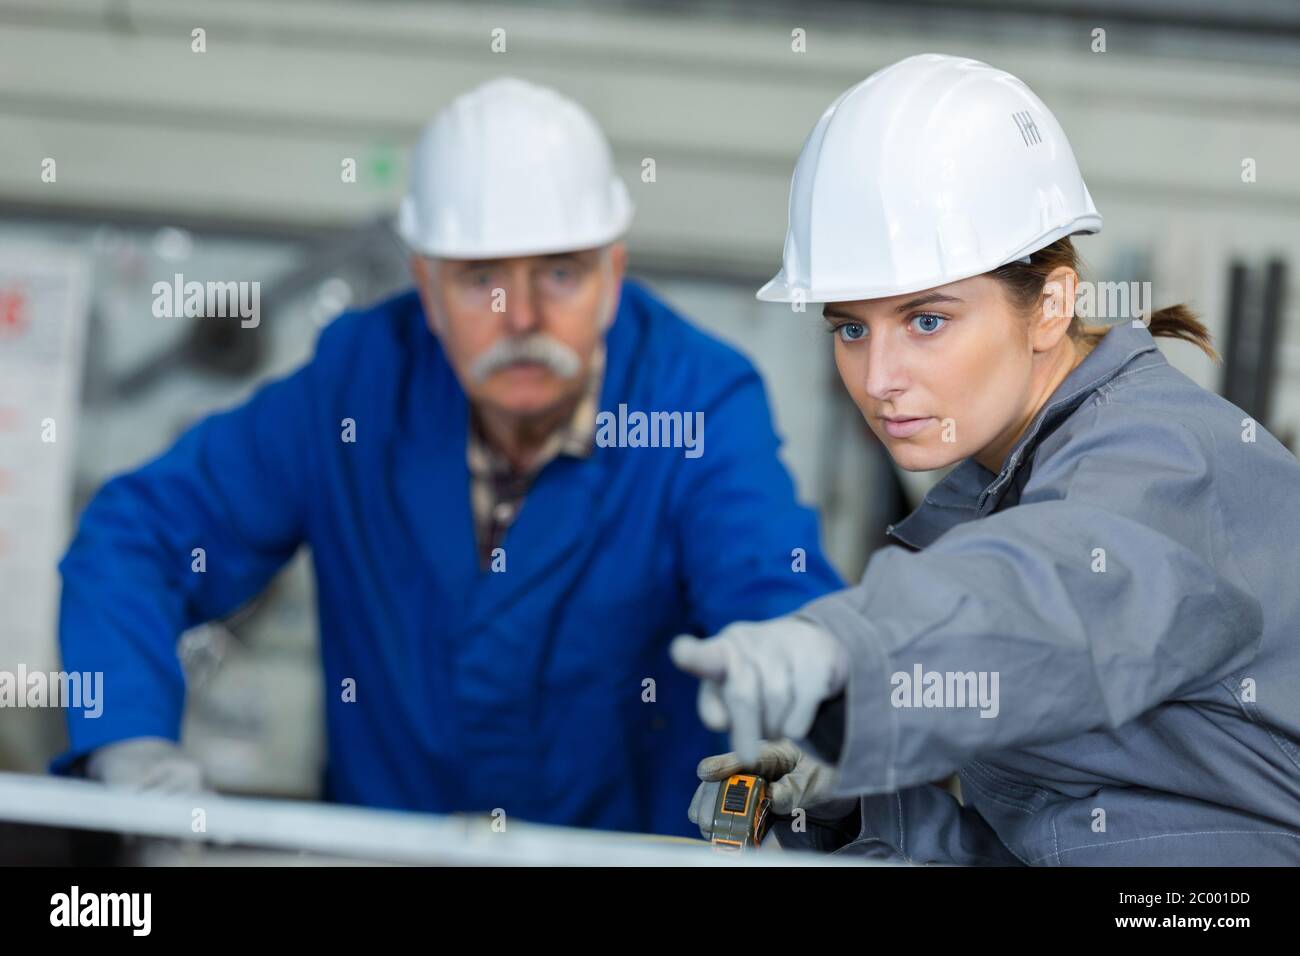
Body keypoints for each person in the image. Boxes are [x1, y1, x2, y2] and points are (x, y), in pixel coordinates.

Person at [54, 77, 842, 837]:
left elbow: (772, 589)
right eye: (481, 280)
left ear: (612, 275)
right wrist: (127, 736)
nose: (522, 318)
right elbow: (139, 536)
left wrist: (792, 656)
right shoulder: (355, 384)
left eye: (560, 272)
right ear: (425, 285)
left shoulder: (697, 401)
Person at [672, 54, 1300, 864]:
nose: (879, 379)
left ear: (1050, 305)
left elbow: (1044, 595)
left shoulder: (1161, 460)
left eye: (927, 320)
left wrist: (852, 658)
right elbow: (1076, 837)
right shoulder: (994, 492)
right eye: (851, 328)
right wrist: (858, 796)